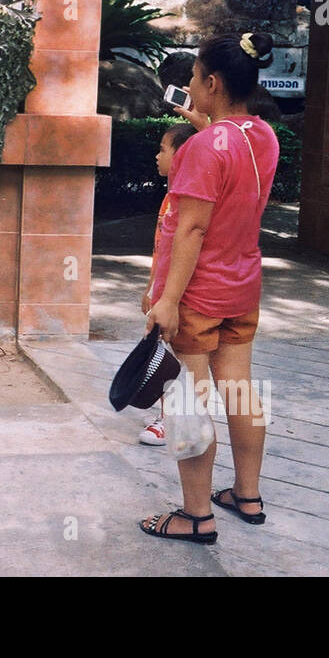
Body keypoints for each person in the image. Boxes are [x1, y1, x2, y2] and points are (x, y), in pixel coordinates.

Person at [139, 32, 280, 544]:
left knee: (187, 405)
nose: (190, 85)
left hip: (196, 295)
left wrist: (167, 299)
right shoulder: (263, 135)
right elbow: (231, 151)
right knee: (239, 392)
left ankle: (196, 515)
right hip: (242, 287)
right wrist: (208, 129)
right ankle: (247, 494)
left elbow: (192, 229)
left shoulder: (201, 149)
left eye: (195, 78)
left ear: (213, 82)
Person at [139, 122, 198, 447]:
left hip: (180, 299)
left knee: (173, 358)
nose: (157, 155)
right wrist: (151, 289)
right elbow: (159, 249)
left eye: (164, 149)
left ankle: (170, 419)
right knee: (161, 354)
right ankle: (169, 414)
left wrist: (170, 297)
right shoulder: (169, 198)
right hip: (162, 293)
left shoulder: (189, 202)